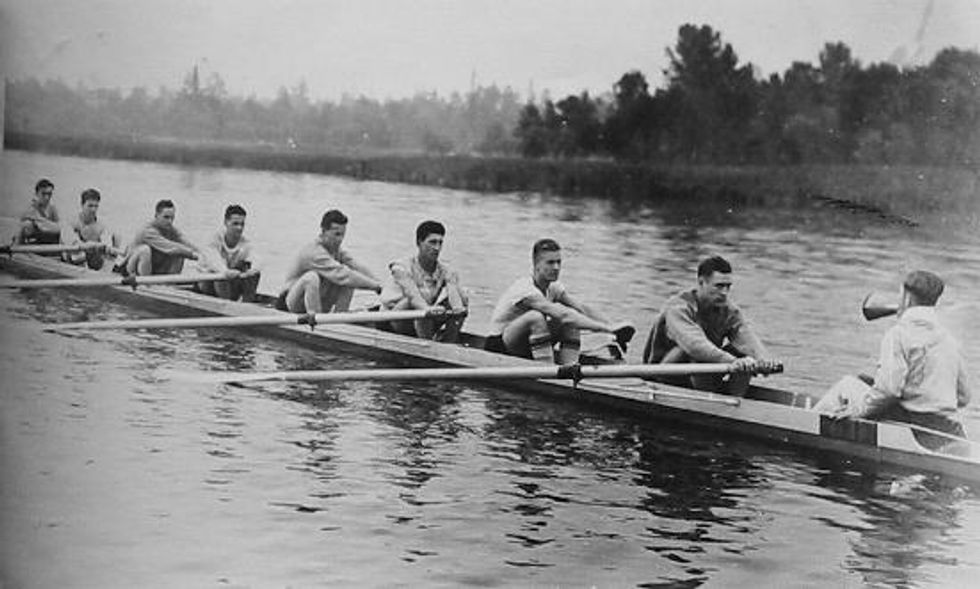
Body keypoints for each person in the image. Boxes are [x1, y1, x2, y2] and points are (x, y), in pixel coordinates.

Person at [814, 270, 972, 446]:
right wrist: (926, 395)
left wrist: (857, 411)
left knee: (848, 384)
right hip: (945, 427)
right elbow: (964, 397)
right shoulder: (949, 339)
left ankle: (808, 428)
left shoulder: (898, 334)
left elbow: (889, 390)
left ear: (907, 299)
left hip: (914, 428)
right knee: (863, 380)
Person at [641, 255, 781, 395]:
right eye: (719, 286)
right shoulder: (678, 307)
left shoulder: (729, 310)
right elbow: (694, 345)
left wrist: (763, 360)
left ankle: (736, 401)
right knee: (693, 350)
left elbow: (746, 338)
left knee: (744, 353)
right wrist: (733, 361)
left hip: (700, 370)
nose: (724, 293)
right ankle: (709, 403)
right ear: (701, 283)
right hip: (663, 374)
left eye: (728, 287)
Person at [485, 238, 635, 364]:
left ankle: (569, 369)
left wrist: (614, 328)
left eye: (558, 262)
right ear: (536, 265)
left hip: (525, 345)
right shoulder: (525, 289)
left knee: (572, 320)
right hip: (499, 346)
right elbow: (564, 315)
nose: (556, 267)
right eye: (550, 263)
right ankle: (547, 372)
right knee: (536, 317)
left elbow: (582, 308)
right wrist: (606, 329)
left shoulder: (554, 287)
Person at [277, 209, 383, 314]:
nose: (340, 239)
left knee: (351, 279)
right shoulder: (313, 252)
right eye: (336, 234)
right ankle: (318, 324)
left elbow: (356, 267)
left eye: (342, 235)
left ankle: (339, 320)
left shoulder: (337, 251)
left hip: (310, 306)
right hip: (288, 306)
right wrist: (375, 287)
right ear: (323, 232)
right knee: (312, 278)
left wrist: (381, 286)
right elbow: (343, 275)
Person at [379, 220, 468, 341]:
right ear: (419, 242)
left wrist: (459, 309)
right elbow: (413, 295)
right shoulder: (401, 267)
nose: (437, 248)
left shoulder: (446, 270)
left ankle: (449, 343)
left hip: (422, 317)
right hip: (393, 320)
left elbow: (457, 303)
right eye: (432, 242)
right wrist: (427, 310)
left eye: (440, 243)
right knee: (419, 299)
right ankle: (428, 345)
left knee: (462, 297)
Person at [119, 199, 203, 275]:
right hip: (131, 270)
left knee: (180, 252)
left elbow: (186, 243)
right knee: (145, 250)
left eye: (172, 218)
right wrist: (194, 255)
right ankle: (146, 284)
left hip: (154, 269)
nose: (170, 221)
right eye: (166, 217)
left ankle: (170, 283)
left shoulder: (171, 229)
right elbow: (171, 248)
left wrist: (202, 255)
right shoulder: (147, 231)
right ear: (156, 216)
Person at [196, 204, 262, 302]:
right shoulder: (212, 239)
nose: (239, 228)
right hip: (206, 284)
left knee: (254, 274)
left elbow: (257, 258)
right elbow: (214, 261)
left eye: (242, 224)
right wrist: (225, 271)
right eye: (235, 224)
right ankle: (229, 307)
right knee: (221, 275)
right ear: (226, 223)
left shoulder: (246, 243)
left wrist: (253, 270)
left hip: (228, 284)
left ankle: (246, 304)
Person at [64, 188, 122, 270]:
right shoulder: (72, 222)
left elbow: (106, 241)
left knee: (117, 237)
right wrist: (87, 245)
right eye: (90, 206)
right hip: (74, 256)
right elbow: (71, 242)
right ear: (82, 205)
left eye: (96, 206)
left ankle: (105, 272)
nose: (93, 210)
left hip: (92, 256)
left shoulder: (101, 224)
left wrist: (106, 246)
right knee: (79, 253)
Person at [17, 178, 61, 245]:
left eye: (49, 194)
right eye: (43, 194)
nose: (47, 197)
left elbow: (57, 227)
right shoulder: (30, 209)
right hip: (36, 241)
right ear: (36, 194)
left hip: (50, 240)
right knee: (26, 224)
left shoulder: (52, 208)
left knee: (63, 228)